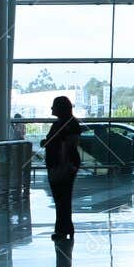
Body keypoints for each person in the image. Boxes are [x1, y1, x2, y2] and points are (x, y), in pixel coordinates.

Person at [41, 96, 82, 240]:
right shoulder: (69, 124)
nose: (52, 108)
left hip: (63, 164)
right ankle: (65, 227)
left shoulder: (65, 124)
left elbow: (66, 143)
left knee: (61, 197)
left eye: (54, 106)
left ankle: (62, 229)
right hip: (63, 163)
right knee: (63, 197)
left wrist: (48, 143)